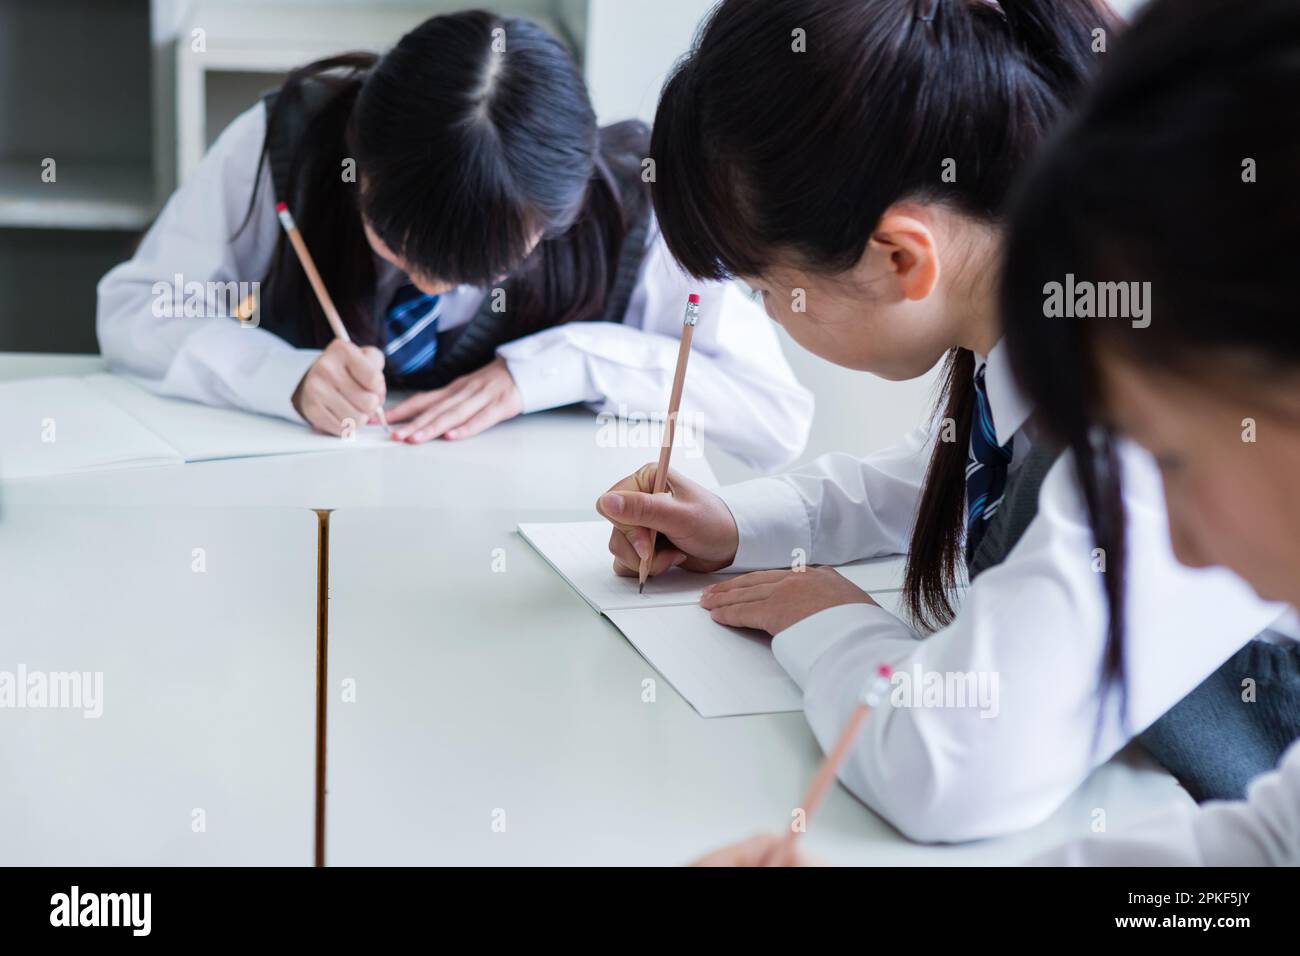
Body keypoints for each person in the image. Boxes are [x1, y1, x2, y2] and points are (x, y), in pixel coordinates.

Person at [597, 0, 1296, 844]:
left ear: (900, 258)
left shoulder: (1168, 394)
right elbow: (976, 470)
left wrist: (828, 621)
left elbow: (948, 765)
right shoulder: (1053, 335)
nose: (1180, 544)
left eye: (764, 289)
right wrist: (749, 521)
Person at [97, 11, 811, 470]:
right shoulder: (281, 144)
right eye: (396, 247)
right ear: (360, 168)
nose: (433, 288)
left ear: (559, 215)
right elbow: (132, 312)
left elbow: (776, 420)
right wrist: (281, 377)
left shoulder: (632, 204)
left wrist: (564, 365)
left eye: (483, 269)